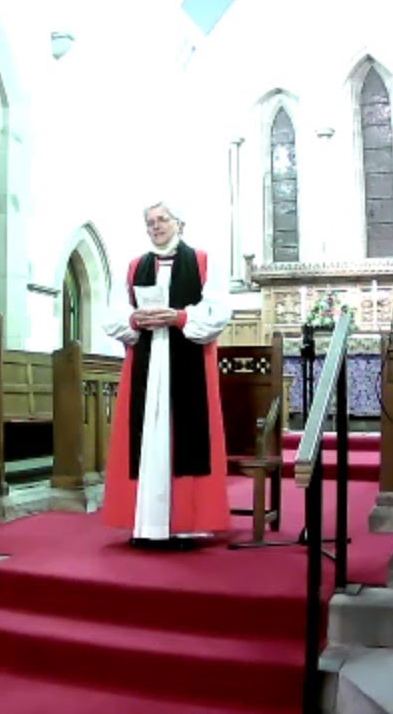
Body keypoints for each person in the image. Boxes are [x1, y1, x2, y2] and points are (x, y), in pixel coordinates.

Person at [100, 201, 233, 550]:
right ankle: (146, 524)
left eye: (162, 220)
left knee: (185, 436)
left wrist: (180, 318)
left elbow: (218, 311)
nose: (155, 226)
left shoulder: (203, 262)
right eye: (150, 222)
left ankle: (187, 525)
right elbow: (112, 313)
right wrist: (133, 320)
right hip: (146, 363)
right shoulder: (132, 268)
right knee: (145, 439)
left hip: (188, 360)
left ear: (180, 223)